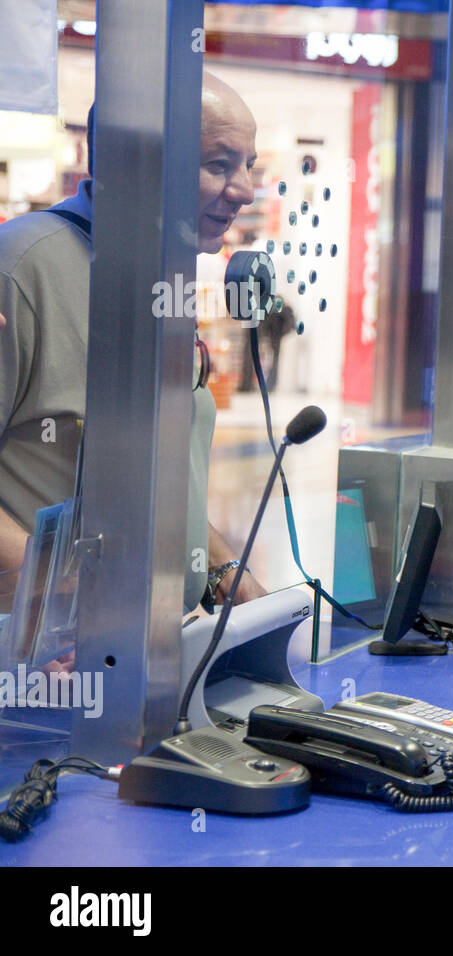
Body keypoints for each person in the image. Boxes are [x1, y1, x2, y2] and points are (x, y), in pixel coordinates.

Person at [0, 71, 266, 615]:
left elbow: (165, 474)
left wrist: (218, 565)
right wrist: (50, 593)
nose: (244, 190)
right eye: (219, 164)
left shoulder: (161, 275)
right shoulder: (23, 269)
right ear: (132, 165)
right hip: (48, 659)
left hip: (158, 645)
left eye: (248, 166)